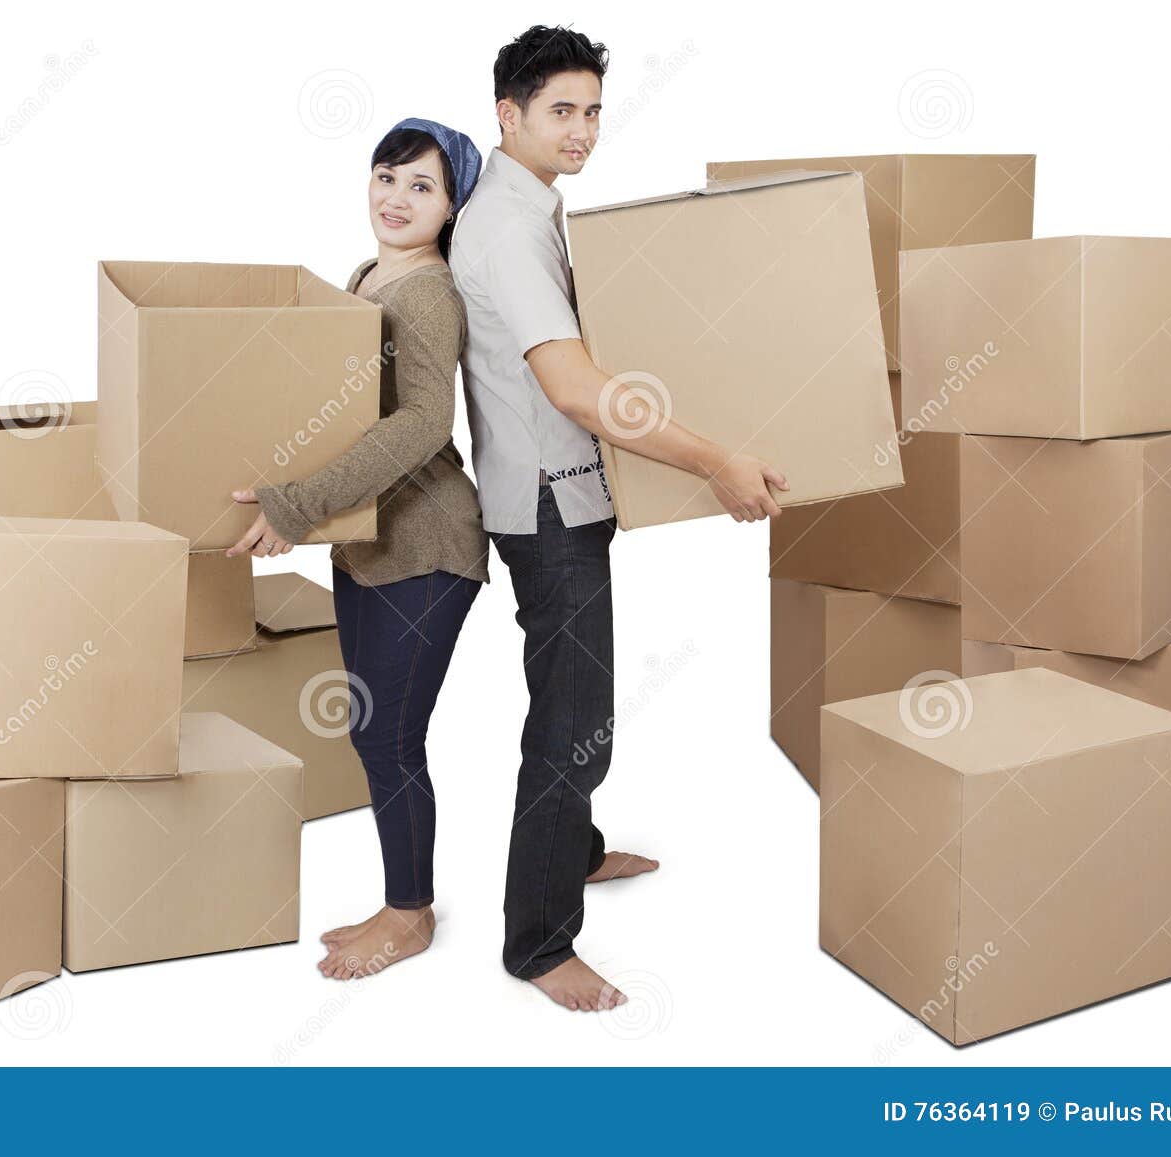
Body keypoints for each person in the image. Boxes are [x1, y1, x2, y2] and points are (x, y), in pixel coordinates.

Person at [450, 25, 789, 1012]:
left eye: (594, 111)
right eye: (561, 110)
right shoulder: (507, 227)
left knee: (581, 704)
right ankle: (540, 944)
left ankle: (578, 850)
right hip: (547, 507)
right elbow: (572, 385)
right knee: (571, 721)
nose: (583, 130)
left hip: (570, 497)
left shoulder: (538, 211)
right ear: (506, 114)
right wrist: (716, 458)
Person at [226, 118, 491, 980]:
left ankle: (409, 914)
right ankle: (407, 898)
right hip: (370, 546)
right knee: (372, 729)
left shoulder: (427, 294)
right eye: (387, 176)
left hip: (430, 542)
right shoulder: (367, 276)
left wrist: (299, 504)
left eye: (423, 186)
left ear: (451, 207)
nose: (397, 197)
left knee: (389, 737)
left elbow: (422, 423)